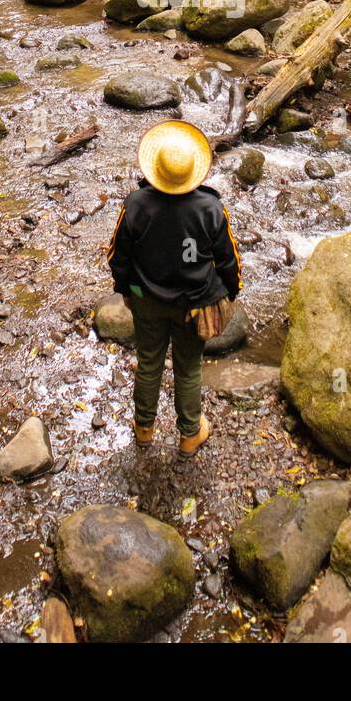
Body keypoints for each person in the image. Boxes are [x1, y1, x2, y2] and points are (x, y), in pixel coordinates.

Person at [106, 120, 242, 457]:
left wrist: (125, 289)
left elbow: (117, 255)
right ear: (194, 172)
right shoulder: (210, 208)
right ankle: (189, 434)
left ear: (156, 170)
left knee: (149, 362)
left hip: (146, 300)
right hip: (193, 304)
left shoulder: (135, 203)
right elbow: (229, 260)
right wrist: (231, 292)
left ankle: (144, 430)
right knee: (188, 367)